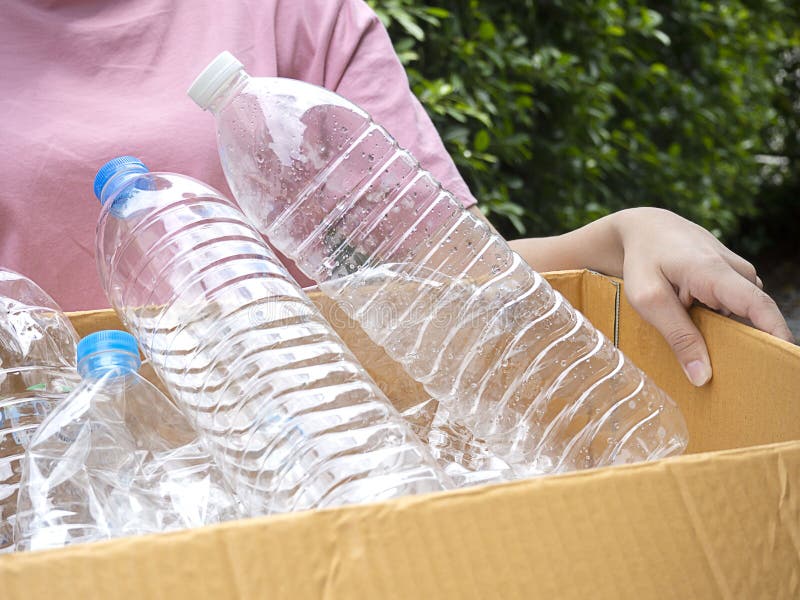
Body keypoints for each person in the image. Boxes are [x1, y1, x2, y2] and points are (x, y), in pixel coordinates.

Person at [0, 0, 792, 389]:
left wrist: (622, 236)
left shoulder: (294, 10)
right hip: (56, 497)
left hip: (322, 465)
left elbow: (451, 277)